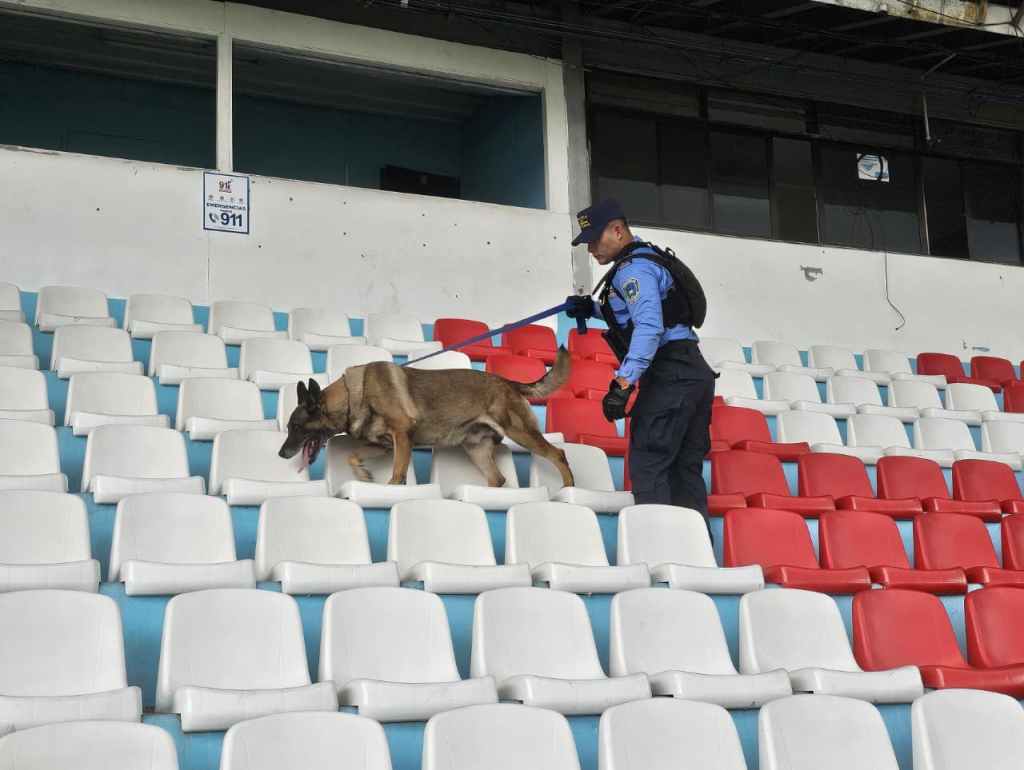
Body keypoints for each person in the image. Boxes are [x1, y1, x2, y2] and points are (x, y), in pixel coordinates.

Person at [566, 198, 716, 529]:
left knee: (649, 465)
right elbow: (642, 313)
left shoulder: (632, 270)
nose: (590, 249)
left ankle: (663, 557)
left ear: (617, 230)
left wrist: (623, 382)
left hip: (671, 374)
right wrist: (589, 308)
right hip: (693, 373)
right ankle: (698, 561)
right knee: (684, 471)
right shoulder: (646, 260)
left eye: (594, 240)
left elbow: (649, 326)